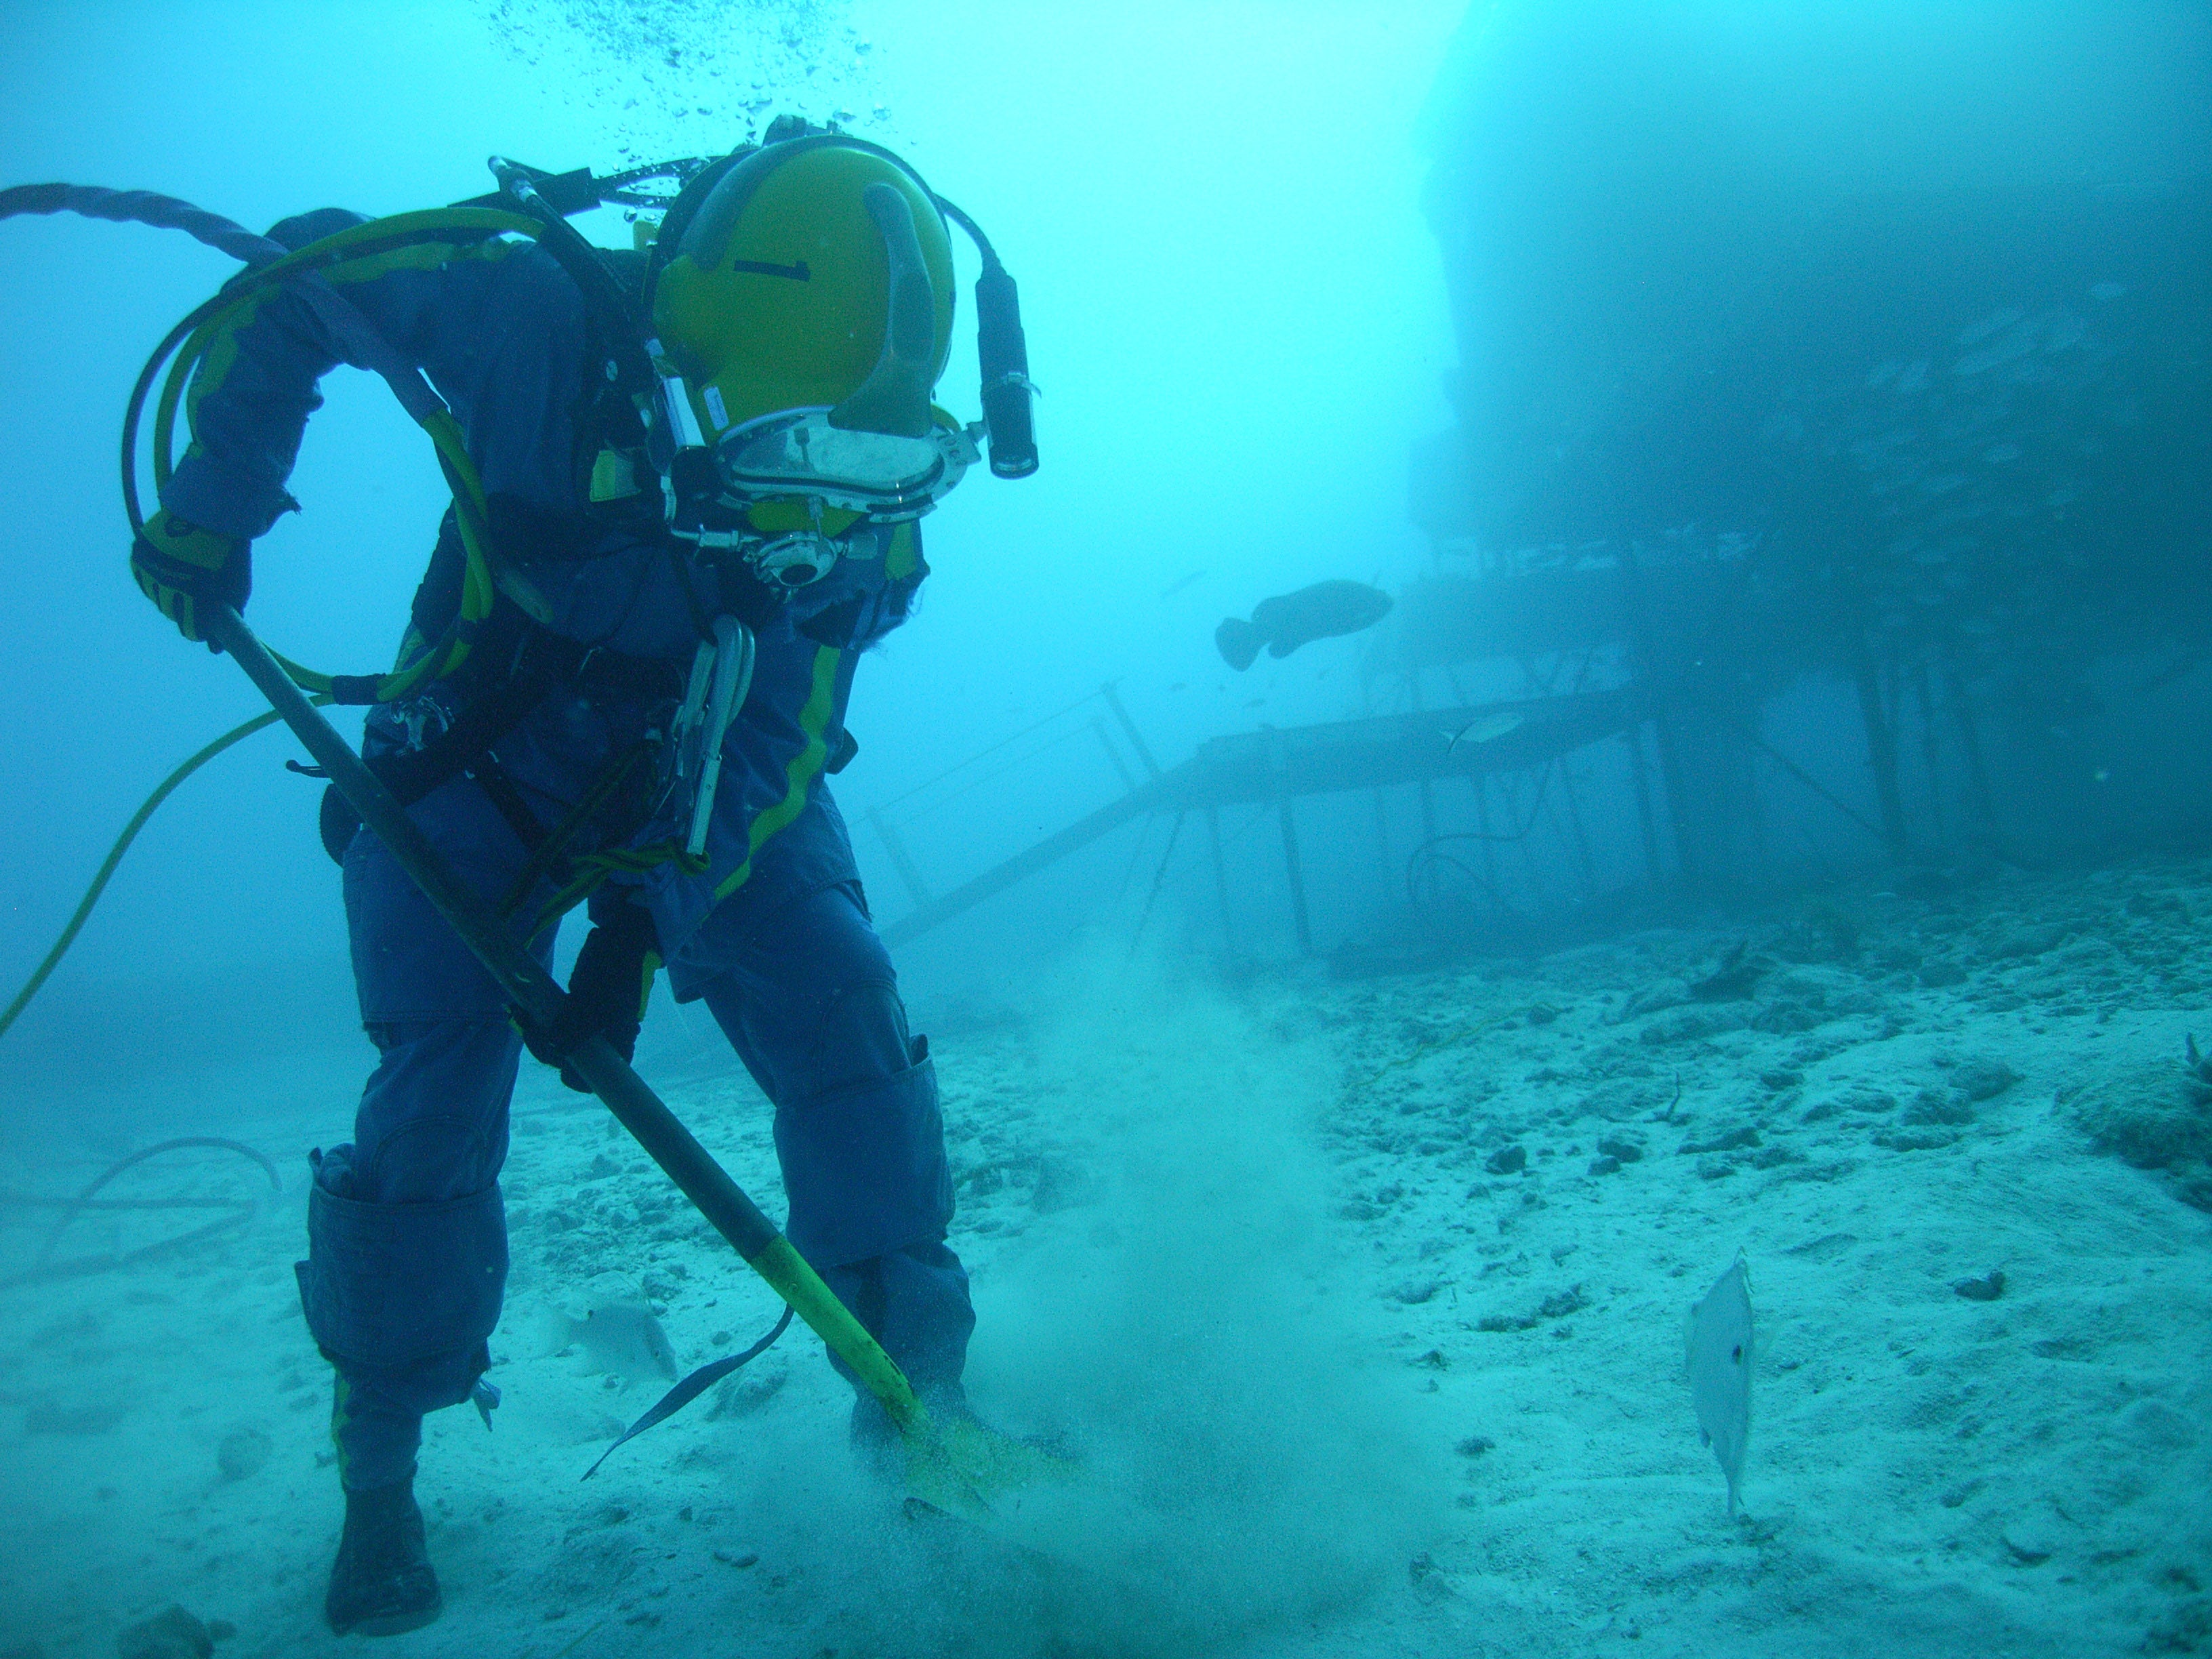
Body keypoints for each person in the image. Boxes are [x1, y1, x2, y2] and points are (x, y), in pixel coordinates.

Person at [127, 121, 993, 1637]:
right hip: (475, 764)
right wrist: (217, 497)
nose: (818, 520)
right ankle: (380, 1467)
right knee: (433, 1103)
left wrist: (642, 934)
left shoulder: (862, 509)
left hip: (718, 773)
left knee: (842, 1007)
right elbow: (296, 274)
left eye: (872, 476)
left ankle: (917, 1399)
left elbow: (782, 744)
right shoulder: (531, 321)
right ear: (697, 363)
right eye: (787, 456)